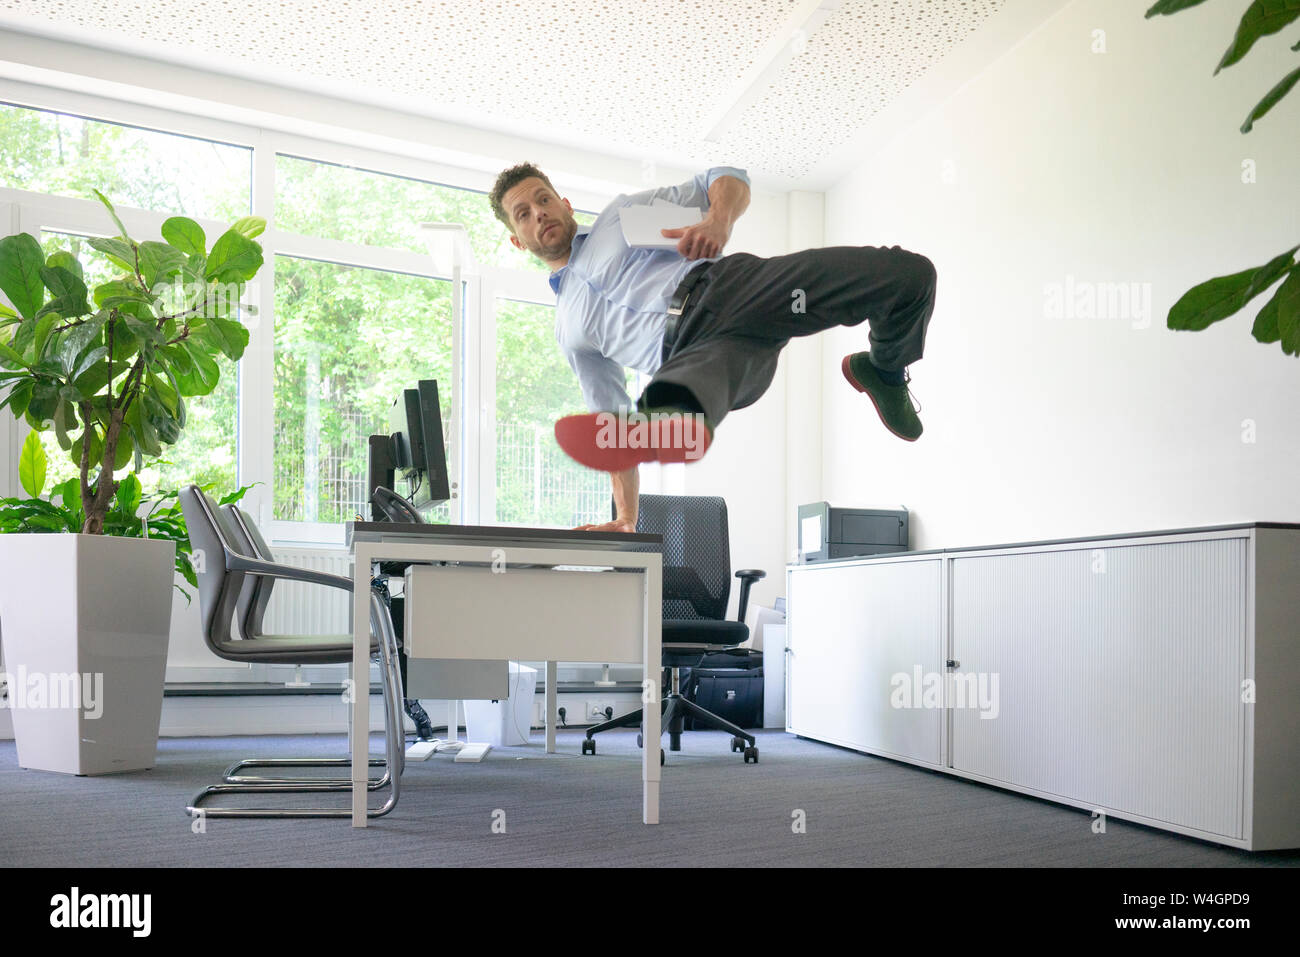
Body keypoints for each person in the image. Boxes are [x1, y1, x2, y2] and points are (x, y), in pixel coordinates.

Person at [489, 162, 936, 533]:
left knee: (909, 276)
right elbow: (611, 416)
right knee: (687, 399)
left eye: (543, 199)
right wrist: (626, 517)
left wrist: (718, 220)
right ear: (517, 238)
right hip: (697, 353)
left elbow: (723, 178)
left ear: (563, 203)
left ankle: (884, 371)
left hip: (734, 290)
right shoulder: (569, 329)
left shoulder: (622, 223)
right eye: (523, 213)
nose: (539, 214)